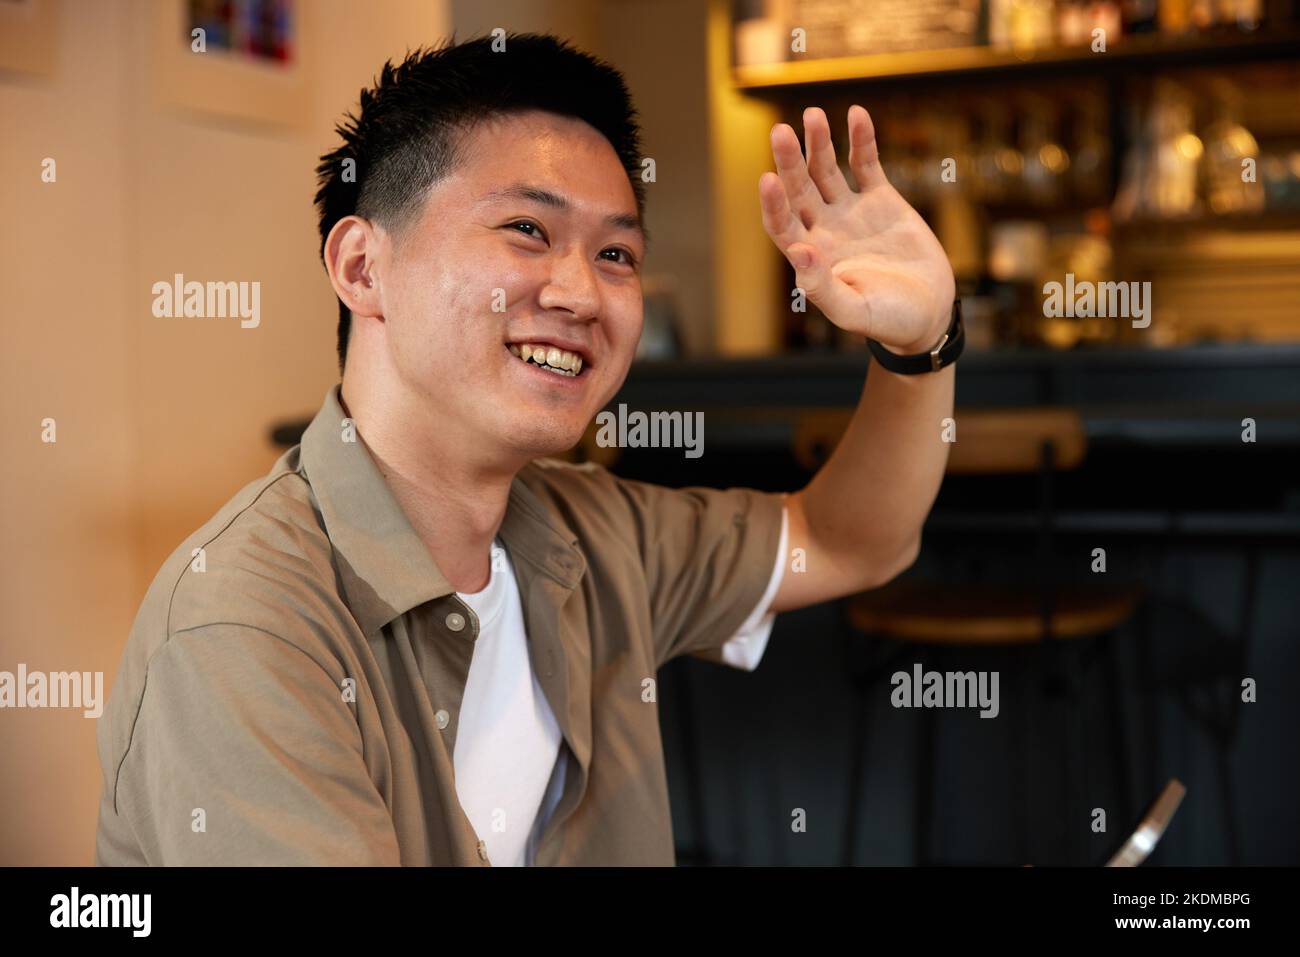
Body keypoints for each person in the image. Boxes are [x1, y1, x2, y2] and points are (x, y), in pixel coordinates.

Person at [95, 32, 957, 866]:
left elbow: (853, 538)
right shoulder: (245, 632)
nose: (582, 292)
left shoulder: (592, 534)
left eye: (616, 253)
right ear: (362, 266)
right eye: (527, 231)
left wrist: (920, 347)